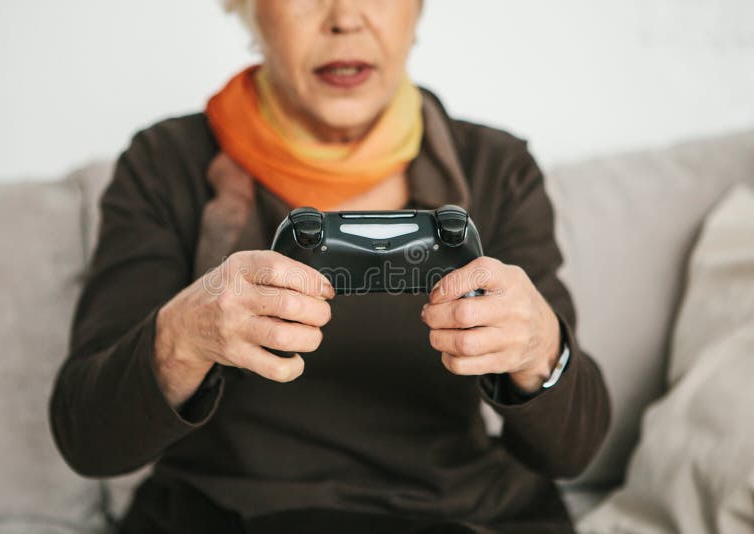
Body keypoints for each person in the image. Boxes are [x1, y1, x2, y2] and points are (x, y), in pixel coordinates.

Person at [48, 1, 611, 532]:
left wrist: (539, 348)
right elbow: (88, 438)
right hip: (228, 514)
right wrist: (182, 337)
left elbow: (573, 448)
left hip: (455, 512)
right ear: (250, 10)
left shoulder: (496, 168)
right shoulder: (164, 163)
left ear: (416, 12)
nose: (345, 18)